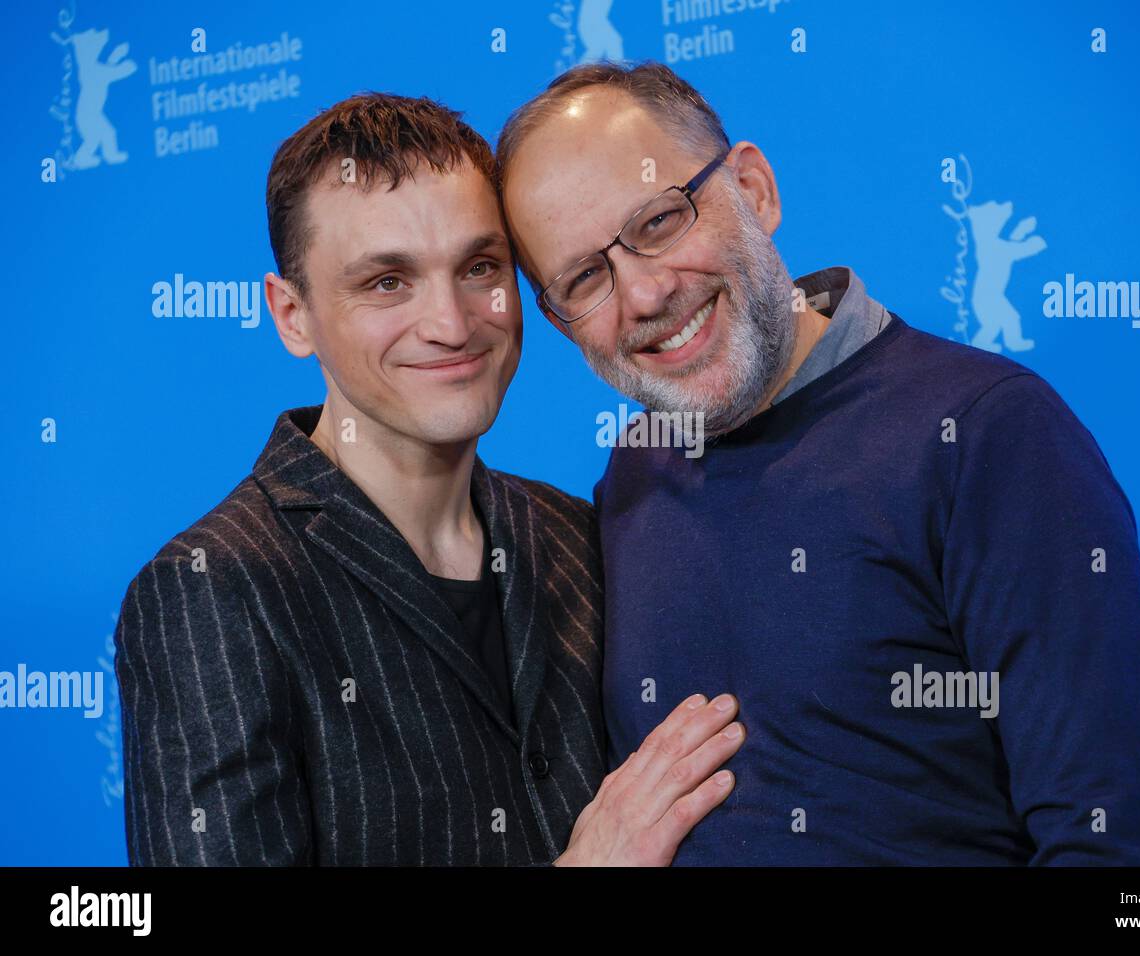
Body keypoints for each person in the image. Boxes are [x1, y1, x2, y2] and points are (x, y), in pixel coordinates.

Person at [496, 62, 1140, 865]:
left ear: (754, 189)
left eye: (657, 221)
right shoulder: (635, 474)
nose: (643, 295)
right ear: (557, 320)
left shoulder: (986, 432)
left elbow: (1116, 851)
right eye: (585, 276)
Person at [113, 92, 744, 866]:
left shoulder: (581, 532)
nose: (451, 322)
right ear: (291, 315)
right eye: (388, 282)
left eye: (480, 267)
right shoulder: (211, 589)